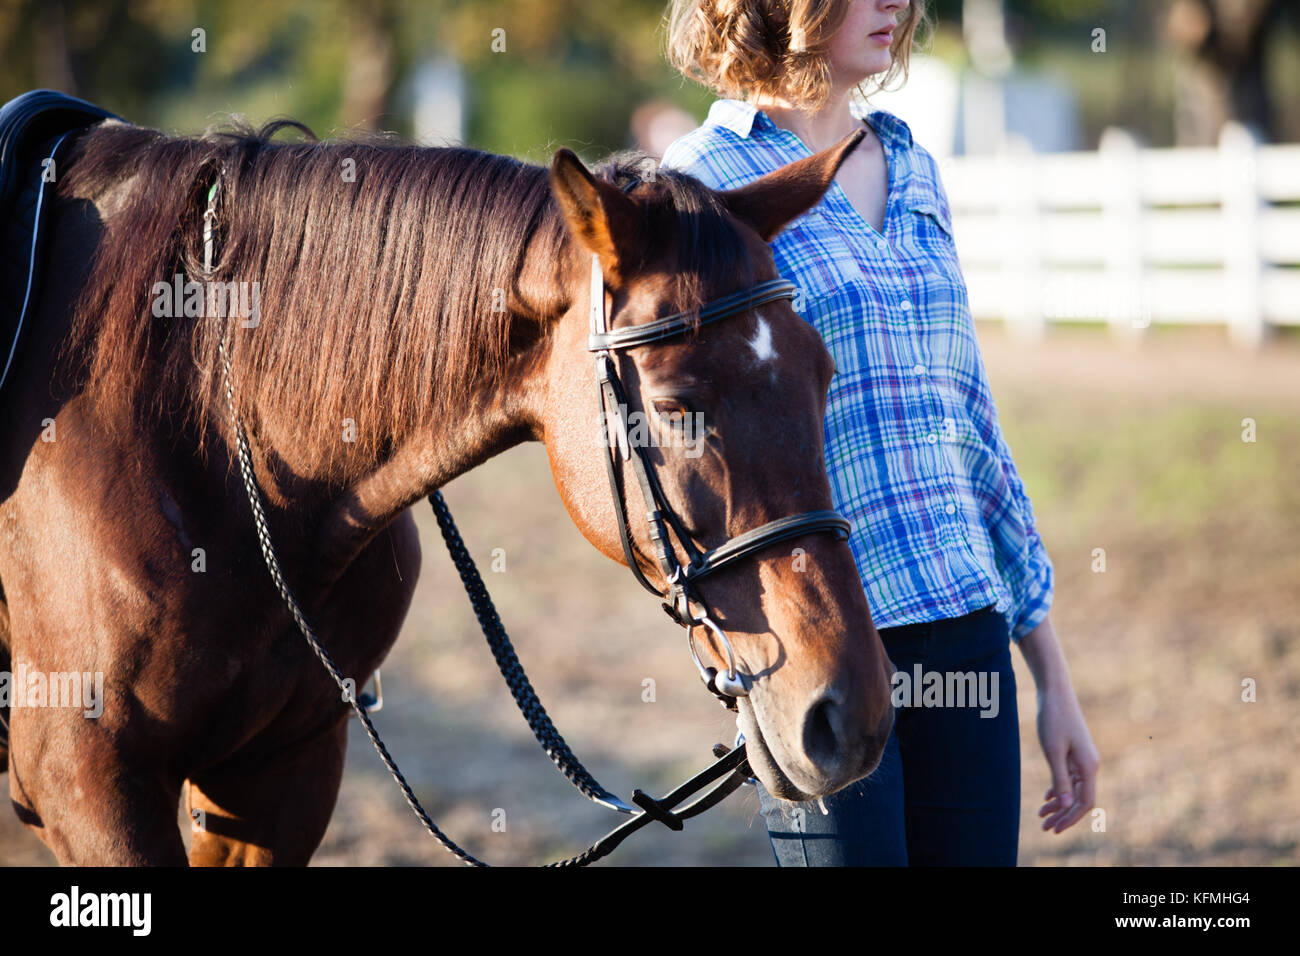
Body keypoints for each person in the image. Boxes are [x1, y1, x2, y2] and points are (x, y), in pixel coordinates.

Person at [658, 0, 1099, 865]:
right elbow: (677, 433)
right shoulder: (700, 181)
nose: (894, 1)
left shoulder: (913, 163)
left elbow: (969, 424)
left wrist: (1052, 678)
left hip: (965, 625)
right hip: (819, 643)